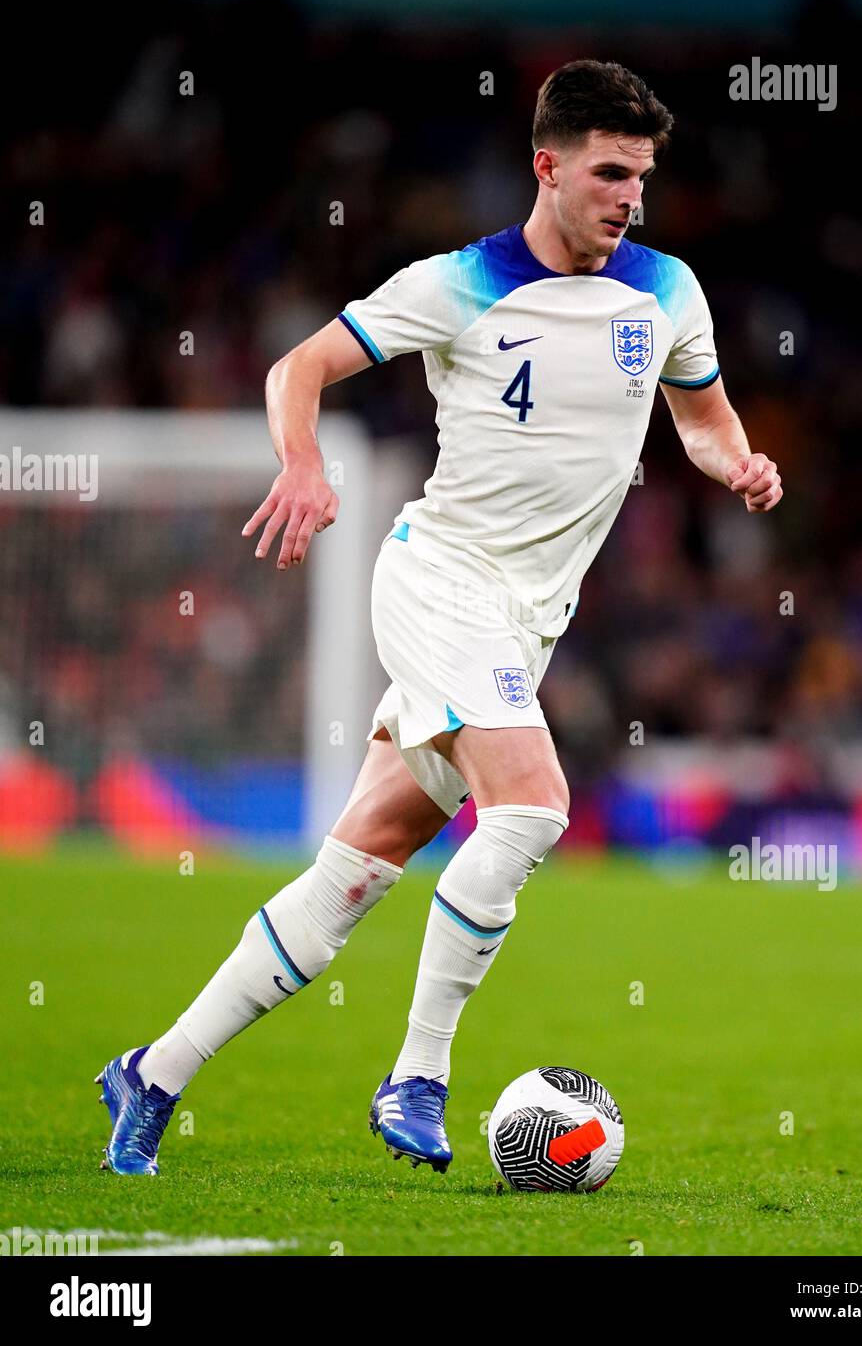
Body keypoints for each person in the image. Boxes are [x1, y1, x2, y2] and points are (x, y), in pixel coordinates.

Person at [96, 59, 782, 1175]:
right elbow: (298, 367)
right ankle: (417, 1072)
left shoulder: (668, 293)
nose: (629, 199)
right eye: (610, 174)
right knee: (536, 804)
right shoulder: (460, 283)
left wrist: (737, 463)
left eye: (643, 179)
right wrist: (304, 464)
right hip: (437, 578)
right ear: (546, 167)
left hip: (523, 623)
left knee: (358, 865)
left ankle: (153, 1070)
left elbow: (703, 421)